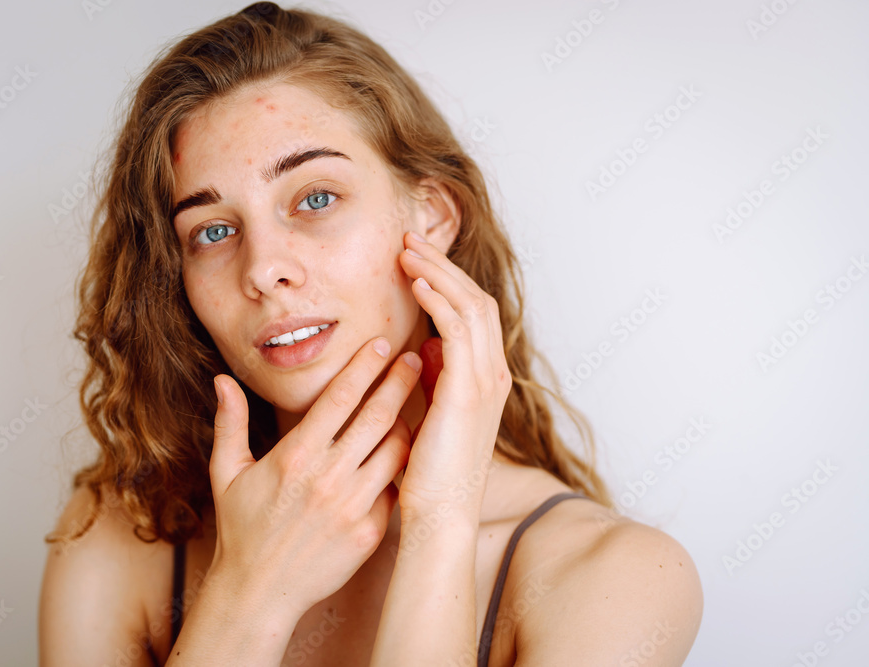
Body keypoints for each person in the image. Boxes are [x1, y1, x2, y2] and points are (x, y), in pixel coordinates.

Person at [38, 3, 703, 665]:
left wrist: (440, 521)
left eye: (315, 198)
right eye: (212, 231)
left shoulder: (616, 576)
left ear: (434, 216)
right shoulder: (113, 539)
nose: (264, 269)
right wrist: (250, 592)